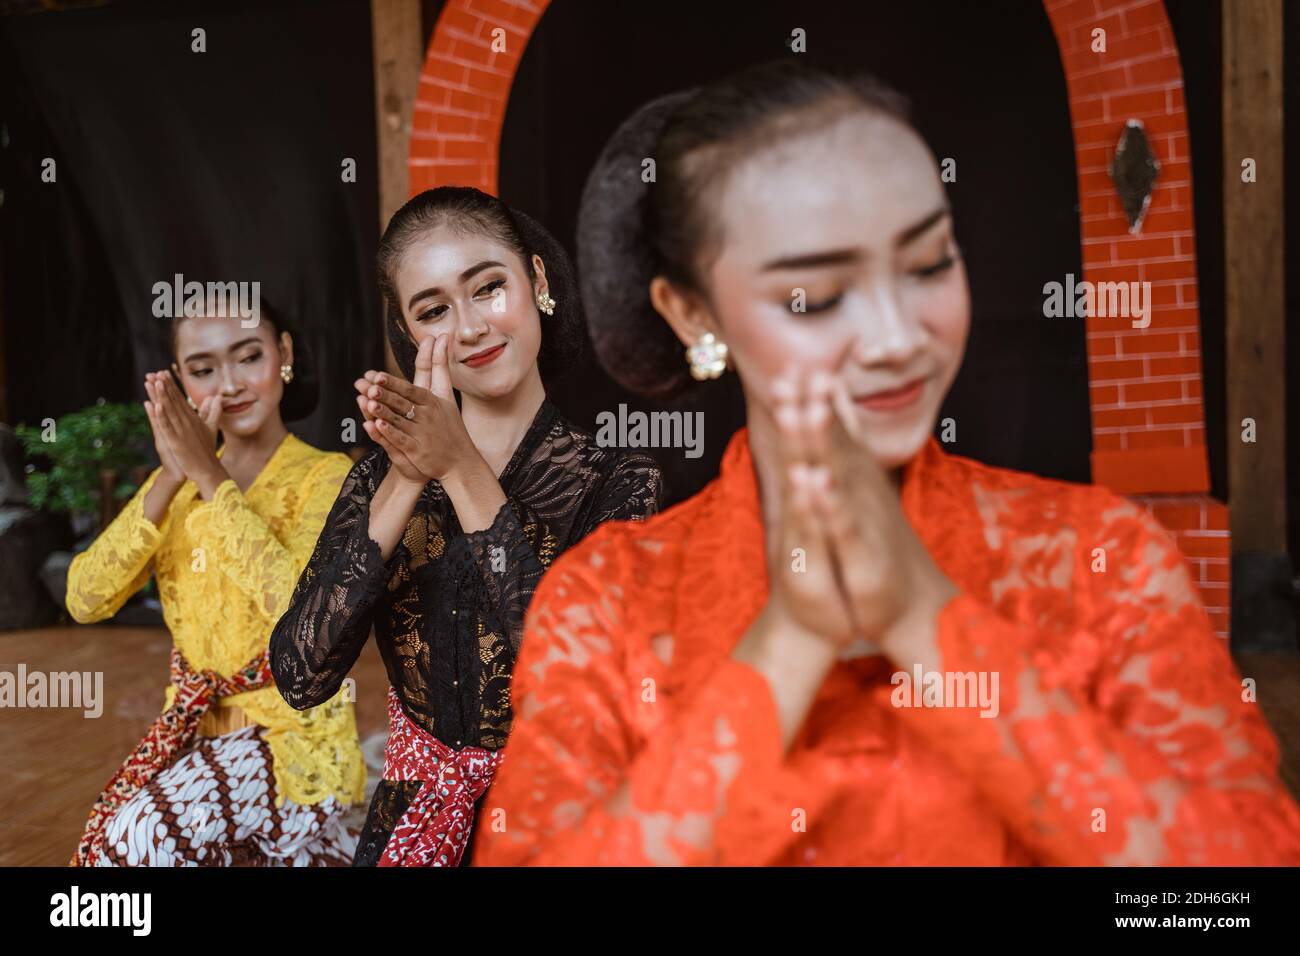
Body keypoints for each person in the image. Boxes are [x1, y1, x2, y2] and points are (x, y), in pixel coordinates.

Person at [472, 61, 1300, 866]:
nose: (900, 337)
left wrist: (924, 618)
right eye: (818, 297)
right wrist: (789, 645)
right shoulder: (606, 604)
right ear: (692, 315)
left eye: (930, 263)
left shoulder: (1102, 558)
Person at [270, 187, 663, 866]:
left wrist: (459, 466)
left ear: (536, 280)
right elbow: (301, 676)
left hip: (565, 827)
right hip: (413, 822)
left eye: (488, 288)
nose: (473, 327)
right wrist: (411, 475)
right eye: (434, 310)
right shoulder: (376, 482)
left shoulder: (621, 483)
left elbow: (582, 687)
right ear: (409, 334)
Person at [67, 297, 365, 866]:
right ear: (180, 384)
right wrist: (174, 477)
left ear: (284, 354)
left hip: (295, 742)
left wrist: (210, 477)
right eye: (203, 370)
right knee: (115, 849)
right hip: (198, 732)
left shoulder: (330, 478)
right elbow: (84, 599)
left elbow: (303, 618)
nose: (228, 385)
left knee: (140, 836)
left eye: (247, 356)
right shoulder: (174, 488)